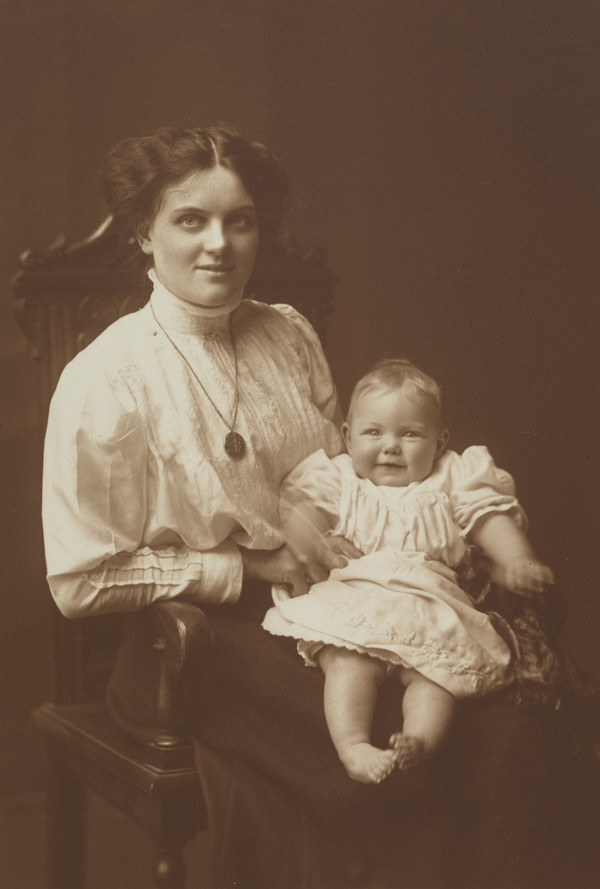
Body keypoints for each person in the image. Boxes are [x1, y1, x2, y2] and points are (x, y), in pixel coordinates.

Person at [41, 124, 572, 889]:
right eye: (190, 219)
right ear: (142, 233)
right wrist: (248, 564)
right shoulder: (108, 379)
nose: (219, 243)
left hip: (342, 603)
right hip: (192, 648)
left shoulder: (286, 334)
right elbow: (80, 580)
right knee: (386, 757)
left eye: (241, 220)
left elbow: (343, 477)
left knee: (502, 724)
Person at [263, 358, 554, 785]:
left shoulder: (453, 475)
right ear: (348, 436)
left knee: (439, 677)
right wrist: (308, 539)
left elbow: (489, 518)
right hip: (356, 596)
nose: (391, 446)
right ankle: (353, 747)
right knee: (347, 664)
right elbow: (299, 515)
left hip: (431, 604)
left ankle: (419, 740)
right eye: (373, 432)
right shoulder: (339, 479)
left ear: (440, 442)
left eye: (411, 433)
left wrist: (516, 560)